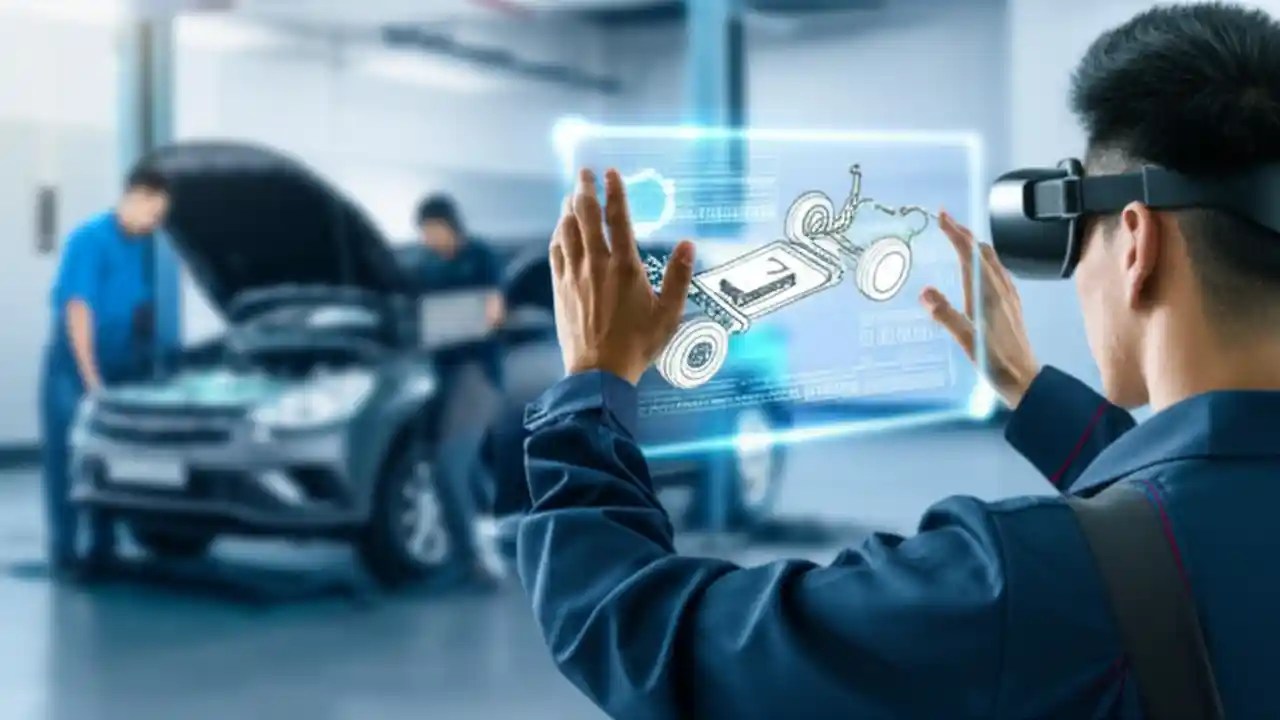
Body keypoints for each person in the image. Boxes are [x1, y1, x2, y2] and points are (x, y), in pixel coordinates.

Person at [515, 4, 1280, 717]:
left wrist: (594, 383)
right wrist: (1030, 391)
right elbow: (1200, 514)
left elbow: (652, 638)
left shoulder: (1021, 585)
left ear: (1137, 244)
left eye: (1086, 236)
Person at [41, 166, 169, 577]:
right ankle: (65, 552)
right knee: (69, 458)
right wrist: (91, 380)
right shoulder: (90, 239)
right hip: (72, 368)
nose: (155, 223)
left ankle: (104, 548)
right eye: (153, 212)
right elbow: (78, 311)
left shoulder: (144, 247)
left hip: (120, 364)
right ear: (134, 197)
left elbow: (141, 308)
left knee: (110, 457)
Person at [412, 194, 508, 585]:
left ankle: (468, 559)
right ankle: (488, 549)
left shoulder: (481, 257)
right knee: (467, 472)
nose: (426, 238)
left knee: (450, 467)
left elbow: (494, 313)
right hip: (442, 376)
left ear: (448, 224)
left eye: (430, 230)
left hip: (477, 374)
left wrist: (444, 326)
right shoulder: (427, 268)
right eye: (422, 233)